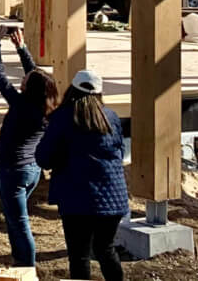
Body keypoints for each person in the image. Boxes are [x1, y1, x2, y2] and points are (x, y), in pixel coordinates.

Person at [36, 70, 129, 281]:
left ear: (72, 90)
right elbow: (120, 151)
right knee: (106, 249)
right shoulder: (111, 117)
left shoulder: (62, 118)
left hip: (76, 198)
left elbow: (44, 158)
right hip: (113, 198)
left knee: (79, 256)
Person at [0, 26, 59, 267]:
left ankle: (27, 267)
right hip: (31, 170)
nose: (21, 79)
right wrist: (21, 48)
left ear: (29, 88)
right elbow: (36, 76)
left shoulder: (20, 105)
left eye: (24, 80)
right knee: (14, 219)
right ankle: (18, 260)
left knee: (19, 222)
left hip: (12, 170)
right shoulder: (46, 106)